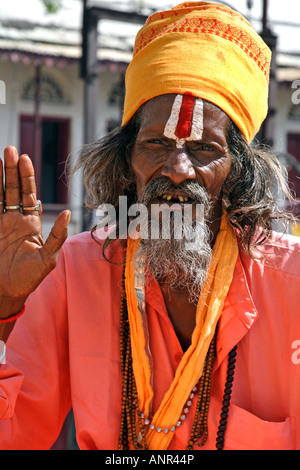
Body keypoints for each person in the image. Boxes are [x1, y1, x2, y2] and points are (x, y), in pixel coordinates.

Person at [0, 1, 299, 451]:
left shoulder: (292, 286)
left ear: (239, 171)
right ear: (126, 161)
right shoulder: (72, 274)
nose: (177, 168)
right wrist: (4, 305)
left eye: (204, 148)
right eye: (156, 143)